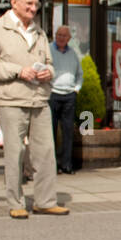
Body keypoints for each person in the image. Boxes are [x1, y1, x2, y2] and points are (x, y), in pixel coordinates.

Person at [0, 0, 68, 218]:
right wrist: (18, 71)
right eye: (28, 3)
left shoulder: (39, 31)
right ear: (13, 2)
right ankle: (16, 203)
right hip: (11, 99)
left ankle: (45, 201)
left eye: (35, 4)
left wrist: (49, 72)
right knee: (14, 153)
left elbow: (49, 62)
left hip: (39, 99)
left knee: (46, 152)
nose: (33, 8)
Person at [49, 24, 82, 175]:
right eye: (59, 35)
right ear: (55, 36)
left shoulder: (73, 53)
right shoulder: (48, 50)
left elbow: (79, 74)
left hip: (69, 95)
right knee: (51, 132)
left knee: (68, 131)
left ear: (69, 38)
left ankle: (66, 165)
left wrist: (77, 89)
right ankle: (52, 165)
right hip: (53, 94)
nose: (61, 38)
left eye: (64, 36)